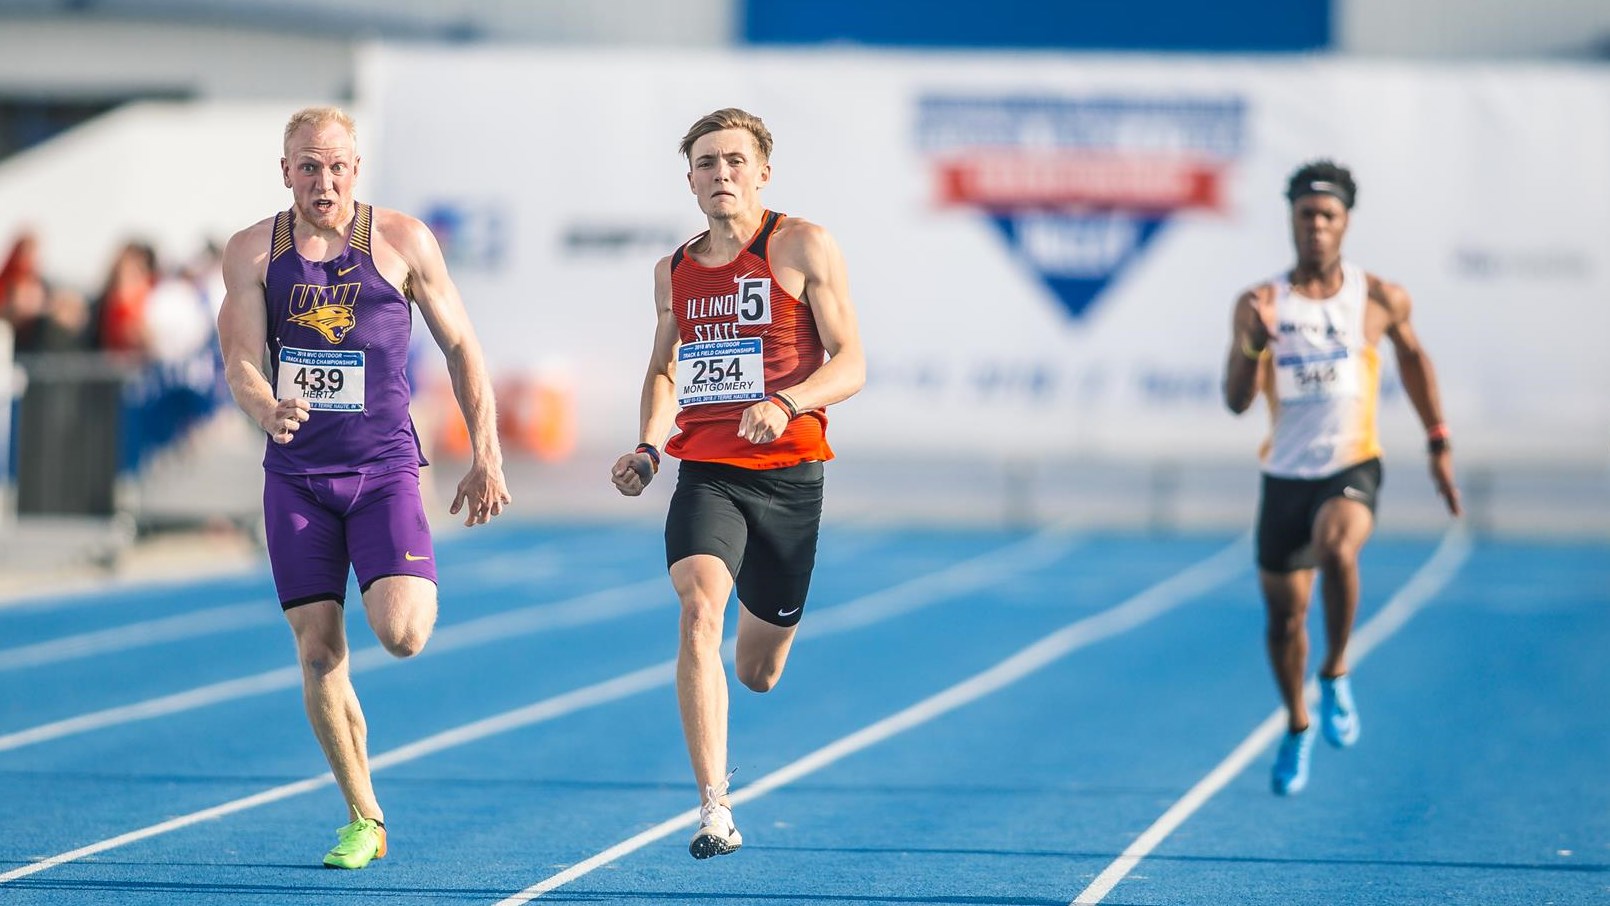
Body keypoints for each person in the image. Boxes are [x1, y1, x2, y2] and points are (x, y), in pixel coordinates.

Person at [217, 106, 509, 868]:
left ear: (356, 169)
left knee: (403, 634)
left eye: (337, 166)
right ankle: (364, 816)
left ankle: (364, 796)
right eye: (309, 166)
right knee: (318, 652)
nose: (325, 181)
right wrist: (265, 406)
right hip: (297, 477)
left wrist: (487, 453)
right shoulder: (253, 252)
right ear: (286, 171)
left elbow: (462, 346)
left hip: (383, 472)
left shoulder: (403, 241)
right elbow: (240, 359)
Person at [610, 107, 865, 859]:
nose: (721, 174)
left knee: (757, 671)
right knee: (698, 612)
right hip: (708, 473)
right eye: (706, 164)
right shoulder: (674, 271)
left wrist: (786, 402)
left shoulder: (802, 245)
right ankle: (714, 808)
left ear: (762, 173)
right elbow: (663, 369)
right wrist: (648, 448)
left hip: (790, 476)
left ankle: (768, 626)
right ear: (690, 181)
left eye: (734, 161)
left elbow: (851, 362)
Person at [1223, 160, 1461, 796]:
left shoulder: (1379, 297)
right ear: (1292, 220)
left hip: (1351, 464)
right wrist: (1254, 343)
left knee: (1338, 547)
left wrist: (1438, 441)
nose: (1317, 226)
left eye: (1328, 215)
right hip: (1285, 477)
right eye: (1307, 214)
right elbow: (1236, 401)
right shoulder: (1261, 303)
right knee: (1284, 622)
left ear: (1346, 222)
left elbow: (1414, 359)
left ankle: (1334, 671)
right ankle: (1297, 723)